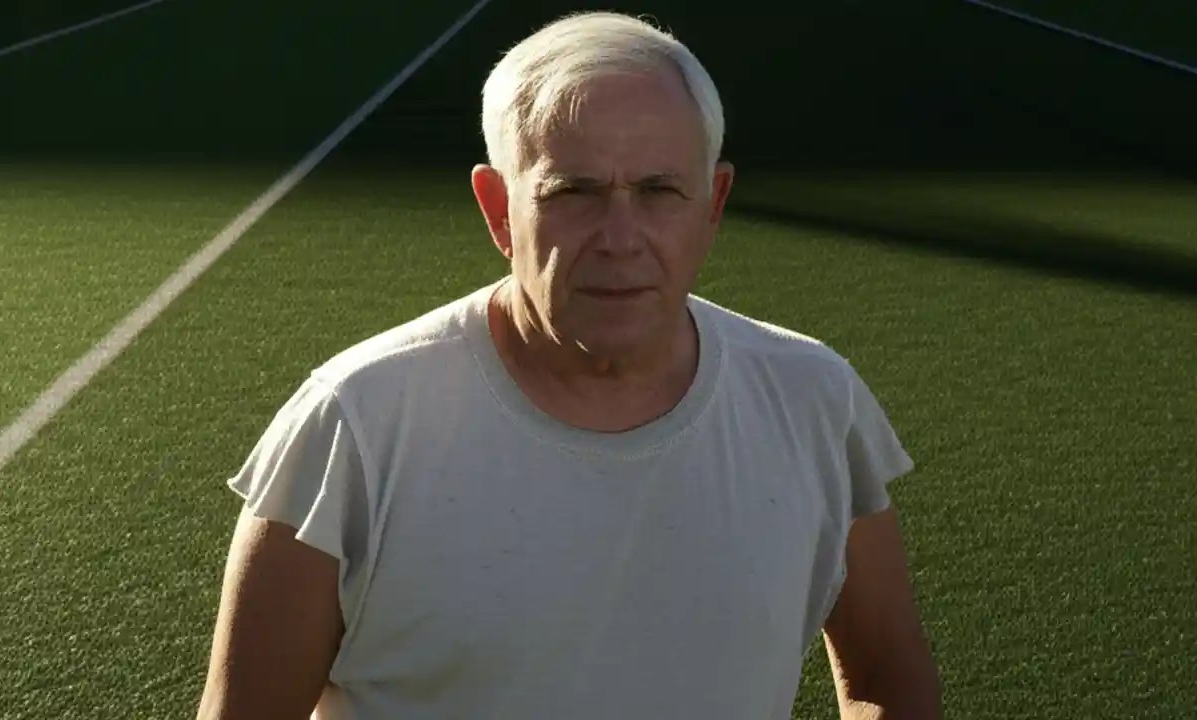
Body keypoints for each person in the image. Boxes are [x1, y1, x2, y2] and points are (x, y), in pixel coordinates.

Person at [196, 11, 942, 720]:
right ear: (498, 209)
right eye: (573, 193)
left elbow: (885, 674)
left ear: (713, 202)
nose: (620, 238)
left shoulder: (814, 400)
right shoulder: (353, 428)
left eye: (658, 191)